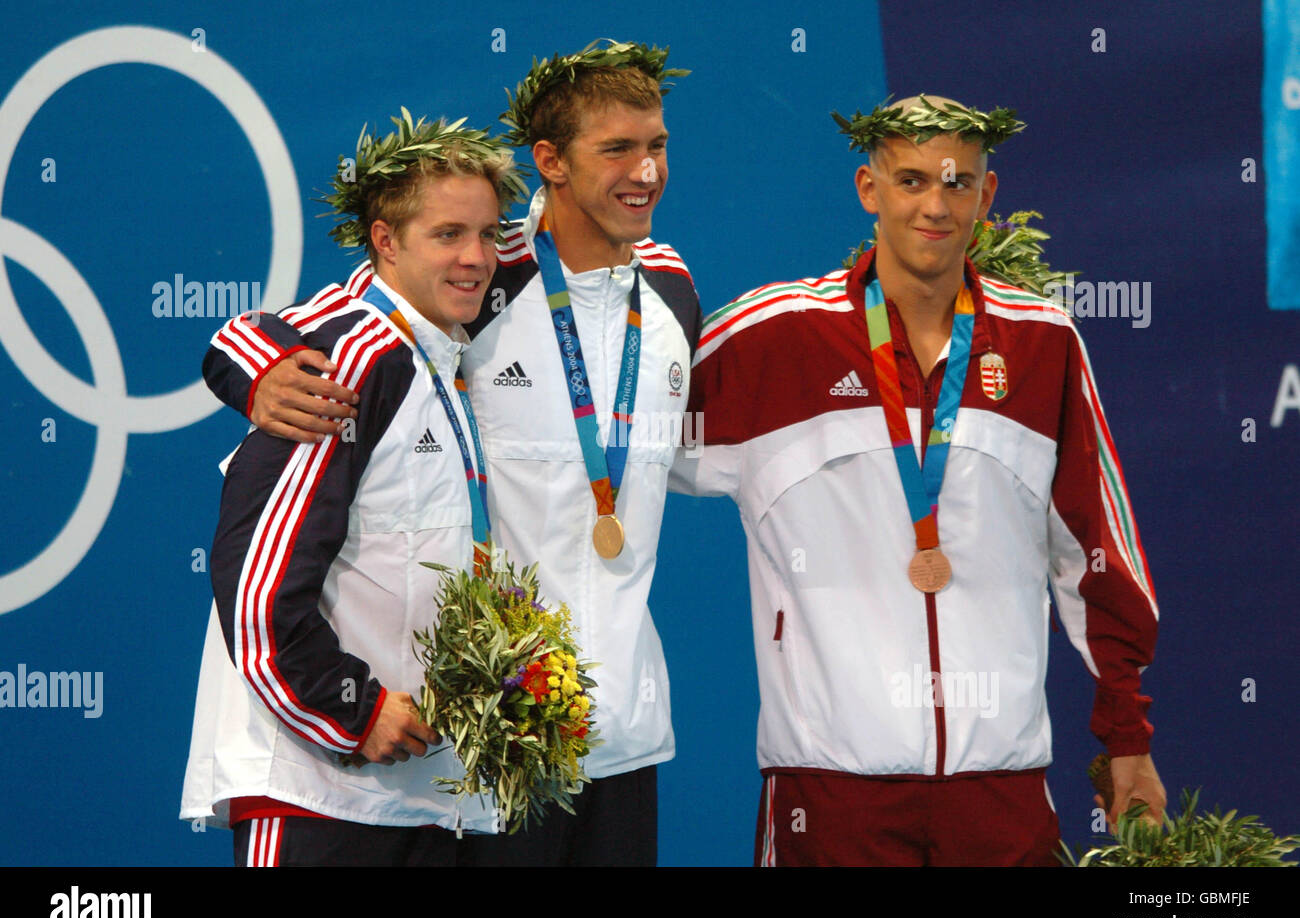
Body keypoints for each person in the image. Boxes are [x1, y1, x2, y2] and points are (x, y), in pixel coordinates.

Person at [195, 41, 701, 866]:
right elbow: (319, 330)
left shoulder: (673, 290)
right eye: (617, 148)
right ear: (551, 162)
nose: (645, 170)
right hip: (494, 740)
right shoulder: (483, 272)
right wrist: (254, 372)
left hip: (624, 734)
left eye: (657, 145)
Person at [669, 95, 1166, 866]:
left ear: (987, 196)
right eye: (910, 182)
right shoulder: (774, 338)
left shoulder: (1042, 344)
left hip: (999, 786)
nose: (935, 206)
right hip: (829, 787)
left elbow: (1092, 550)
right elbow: (623, 458)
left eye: (958, 183)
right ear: (869, 189)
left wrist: (1127, 736)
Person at [179, 112, 528, 865]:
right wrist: (351, 709)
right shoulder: (354, 358)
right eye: (447, 235)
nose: (475, 258)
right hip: (318, 792)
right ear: (384, 240)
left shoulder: (437, 358)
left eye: (487, 235)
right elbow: (257, 585)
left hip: (412, 795)